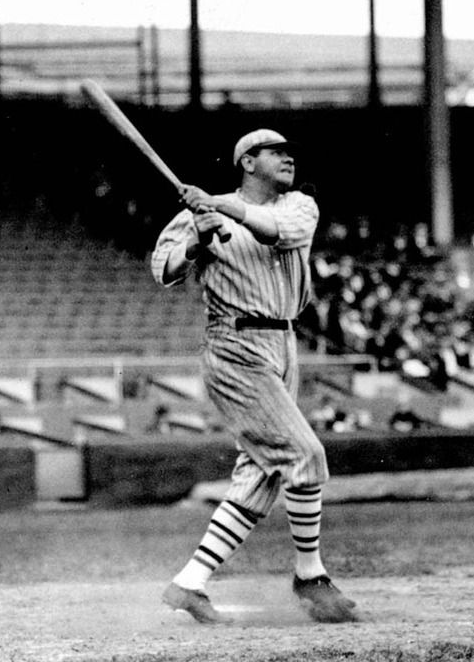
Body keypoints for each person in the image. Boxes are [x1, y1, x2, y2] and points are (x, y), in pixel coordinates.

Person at [149, 129, 357, 625]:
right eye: (277, 153)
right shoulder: (194, 216)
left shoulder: (298, 206)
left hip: (284, 343)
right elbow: (164, 270)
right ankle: (310, 575)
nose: (288, 160)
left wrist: (218, 205)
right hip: (235, 343)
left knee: (262, 472)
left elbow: (274, 231)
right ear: (247, 161)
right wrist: (199, 239)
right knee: (305, 455)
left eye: (290, 155)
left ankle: (189, 583)